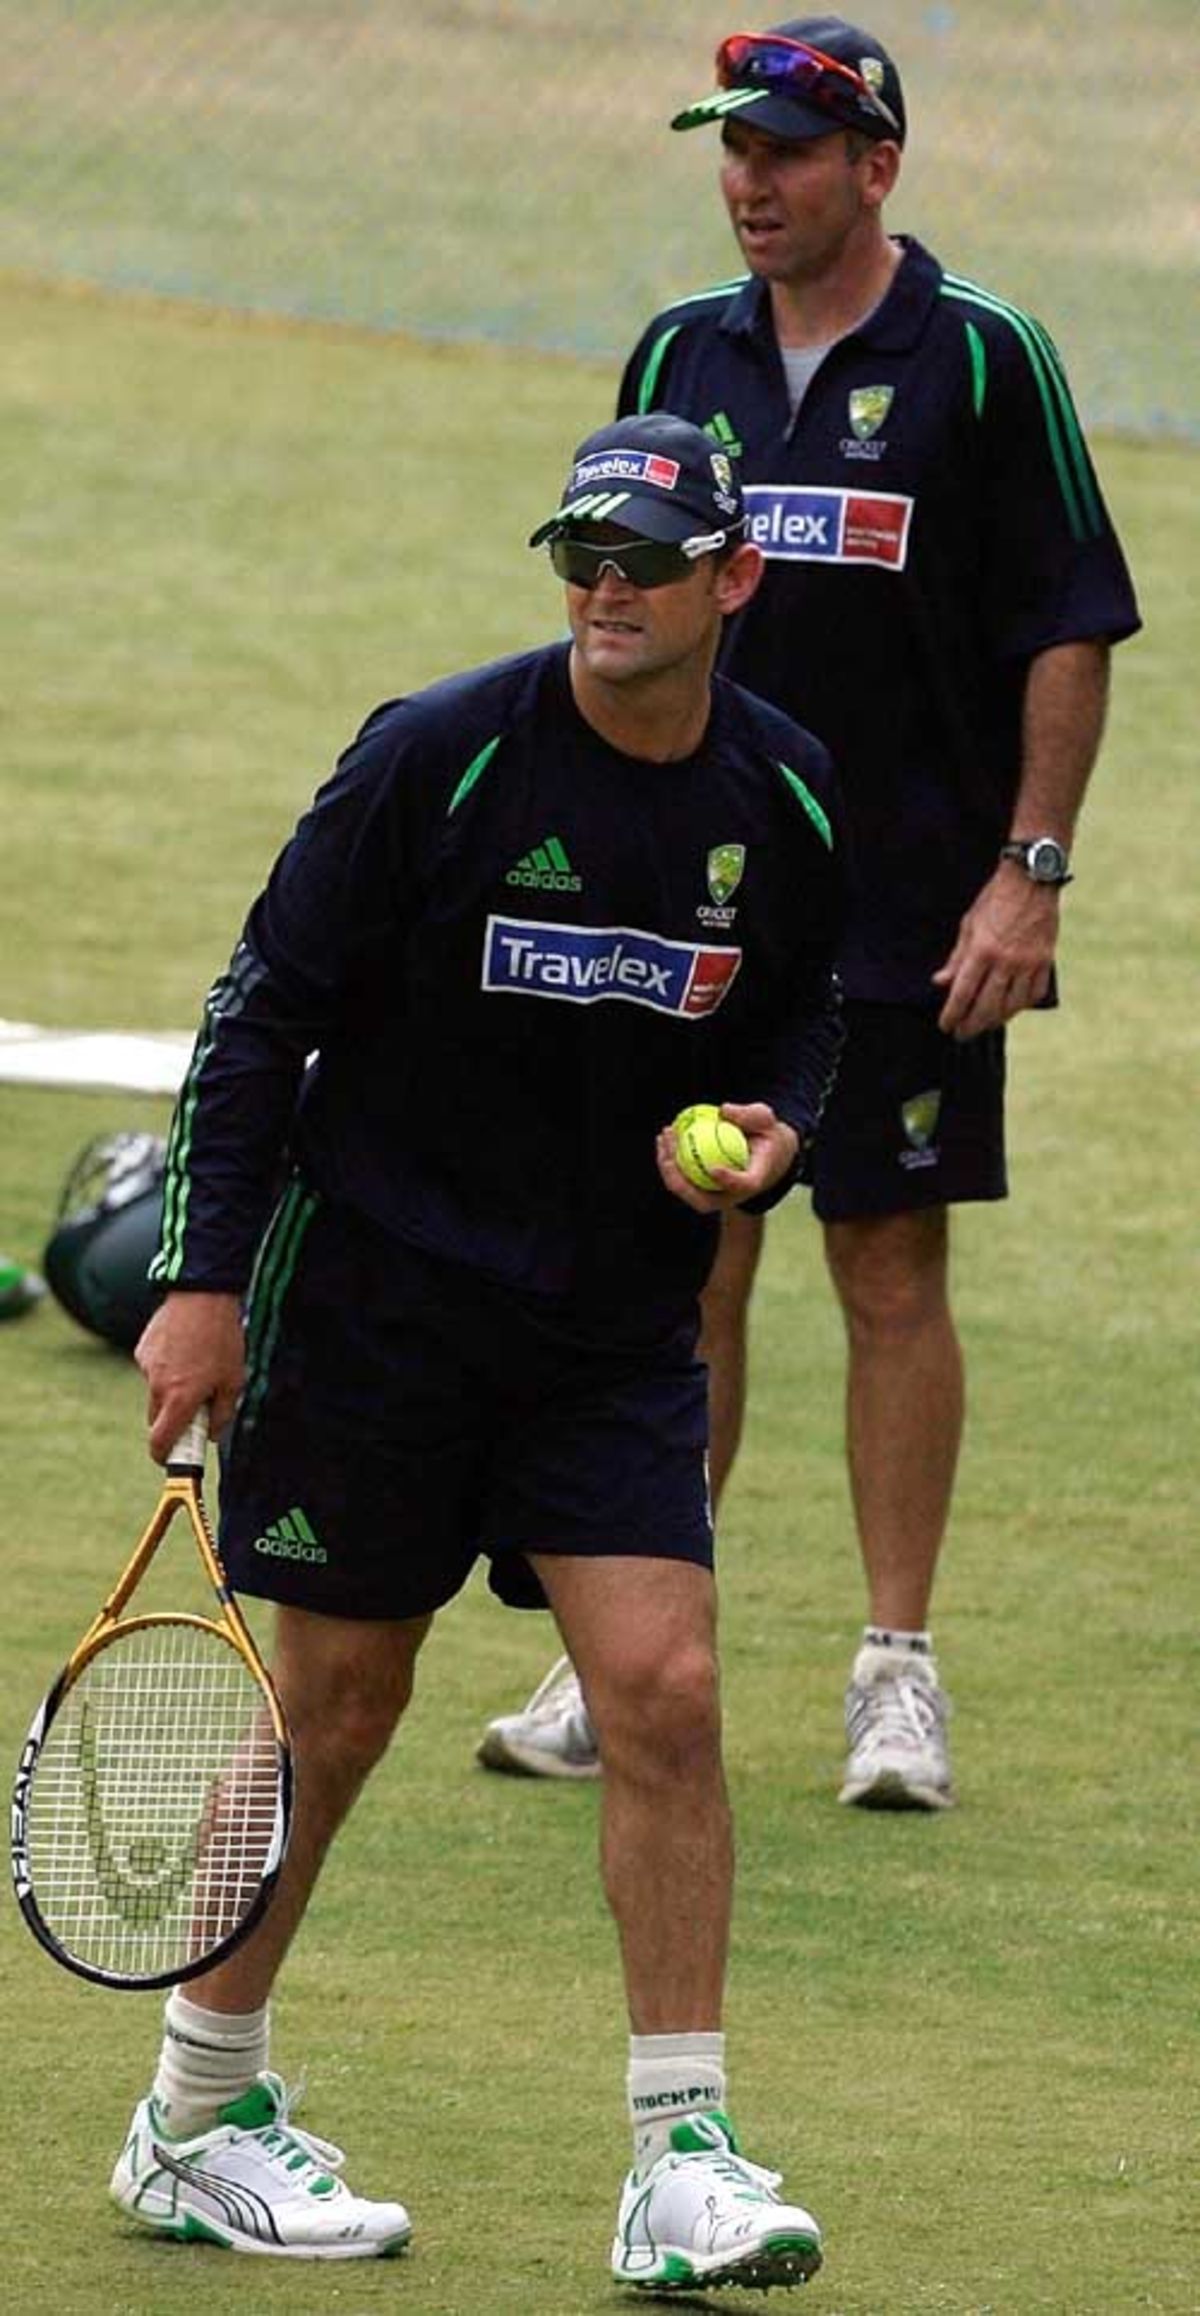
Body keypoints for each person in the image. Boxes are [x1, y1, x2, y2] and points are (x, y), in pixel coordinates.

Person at [110, 412, 846, 2288]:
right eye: (581, 558)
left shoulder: (784, 799)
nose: (606, 587)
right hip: (378, 1301)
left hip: (606, 1328)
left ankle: (681, 2161)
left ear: (731, 579)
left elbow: (801, 1024)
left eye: (645, 559)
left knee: (666, 1692)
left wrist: (774, 1129)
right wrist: (200, 1283)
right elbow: (262, 1008)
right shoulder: (438, 757)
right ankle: (193, 2119)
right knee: (339, 1711)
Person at [477, 17, 1141, 1808]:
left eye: (784, 151)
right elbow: (617, 595)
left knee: (889, 1265)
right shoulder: (681, 351)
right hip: (695, 907)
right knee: (685, 1258)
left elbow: (1065, 622)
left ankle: (894, 1672)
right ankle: (630, 1640)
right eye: (735, 149)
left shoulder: (985, 360)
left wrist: (1033, 866)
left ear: (876, 168)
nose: (749, 182)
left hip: (917, 912)